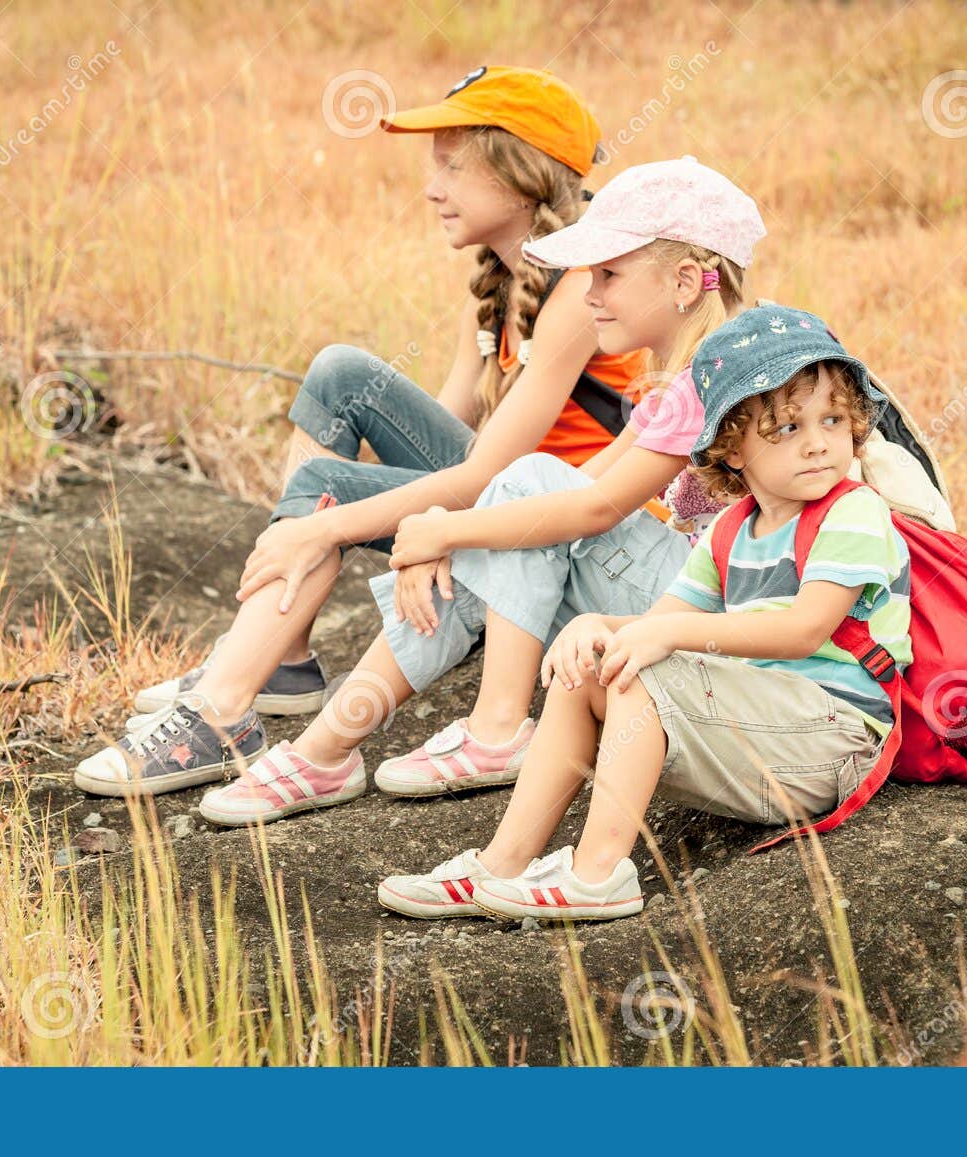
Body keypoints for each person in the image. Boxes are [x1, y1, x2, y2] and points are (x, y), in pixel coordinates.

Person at [75, 66, 649, 798]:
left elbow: (476, 479)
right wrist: (412, 521)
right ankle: (281, 652)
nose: (430, 187)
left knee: (324, 494)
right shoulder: (505, 273)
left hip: (560, 534)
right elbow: (453, 429)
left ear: (519, 173)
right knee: (342, 375)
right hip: (505, 493)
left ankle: (219, 714)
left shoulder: (575, 288)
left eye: (450, 166)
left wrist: (338, 528)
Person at [195, 157, 765, 826]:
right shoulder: (687, 375)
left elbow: (595, 506)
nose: (590, 294)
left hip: (720, 624)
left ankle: (480, 731)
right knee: (515, 499)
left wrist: (449, 531)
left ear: (685, 281)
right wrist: (456, 527)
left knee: (523, 485)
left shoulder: (717, 371)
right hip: (679, 605)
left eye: (609, 274)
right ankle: (328, 749)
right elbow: (589, 483)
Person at [377, 304, 913, 921]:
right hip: (760, 726)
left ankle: (598, 872)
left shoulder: (853, 510)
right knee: (594, 667)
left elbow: (803, 629)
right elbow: (663, 618)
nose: (819, 442)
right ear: (732, 448)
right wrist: (596, 628)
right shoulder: (731, 530)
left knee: (645, 671)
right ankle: (500, 865)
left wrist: (662, 636)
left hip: (834, 737)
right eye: (787, 428)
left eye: (833, 420)